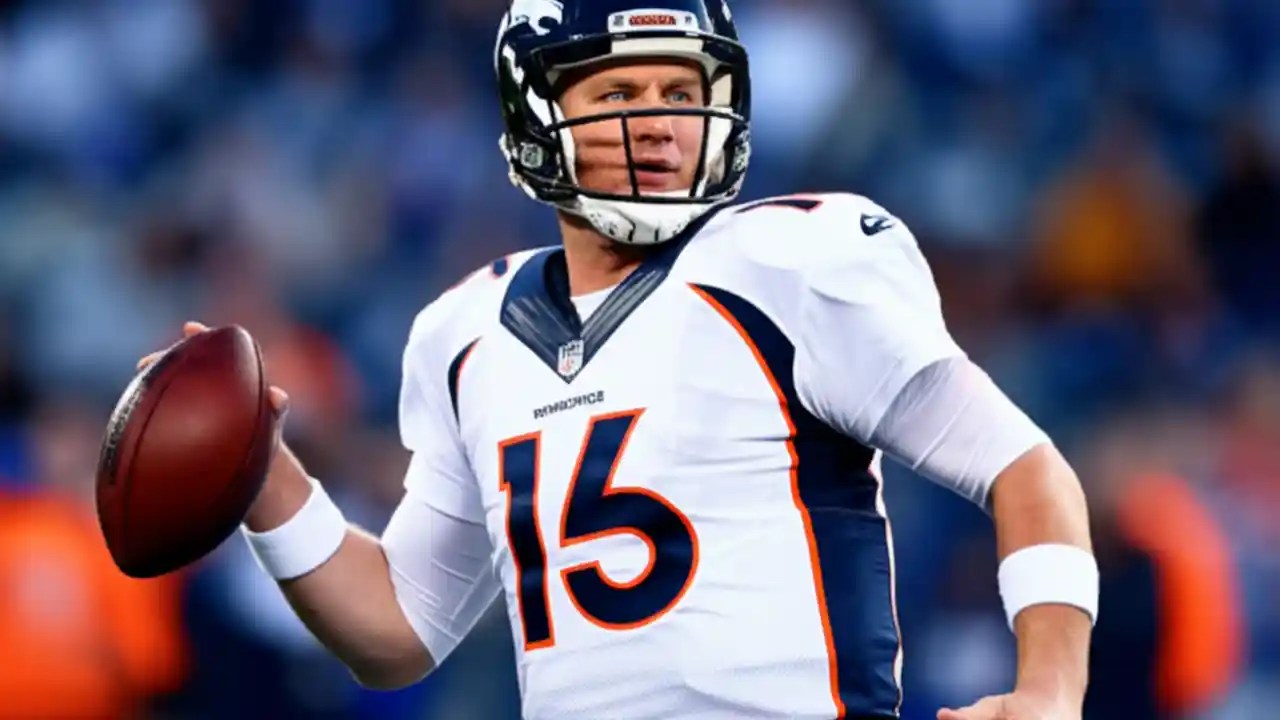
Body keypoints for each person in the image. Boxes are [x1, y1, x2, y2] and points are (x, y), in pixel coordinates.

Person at [143, 1, 1096, 717]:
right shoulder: (462, 333)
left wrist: (1050, 690)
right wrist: (264, 479)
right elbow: (400, 631)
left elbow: (1027, 470)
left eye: (682, 90)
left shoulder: (792, 263)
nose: (661, 122)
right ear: (535, 114)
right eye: (619, 93)